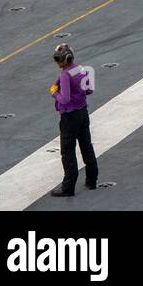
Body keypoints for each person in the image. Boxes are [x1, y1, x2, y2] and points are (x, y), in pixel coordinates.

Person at [49, 43, 98, 197]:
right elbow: (89, 89)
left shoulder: (64, 75)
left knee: (68, 151)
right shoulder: (81, 69)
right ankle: (92, 180)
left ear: (64, 59)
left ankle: (68, 187)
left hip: (69, 117)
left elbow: (64, 99)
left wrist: (54, 93)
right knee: (86, 146)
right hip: (83, 113)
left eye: (58, 59)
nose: (57, 62)